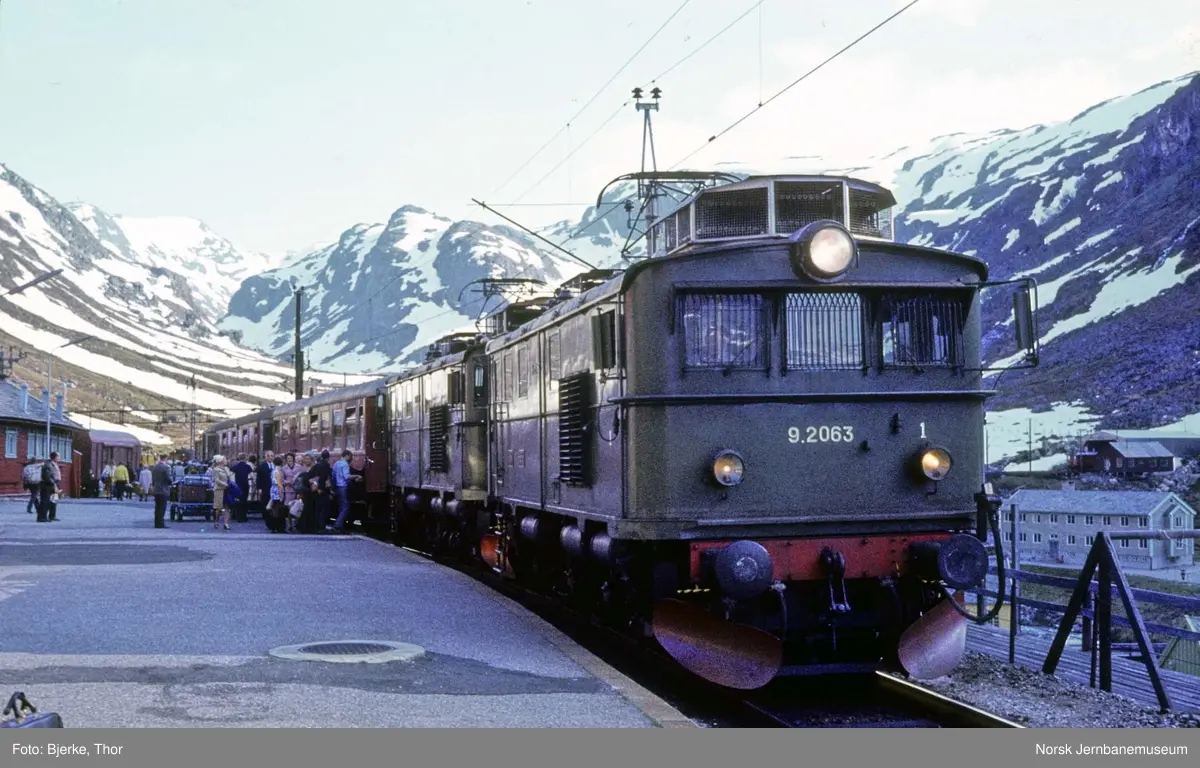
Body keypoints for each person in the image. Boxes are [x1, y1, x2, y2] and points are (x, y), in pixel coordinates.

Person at [332, 449, 359, 533]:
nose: (350, 458)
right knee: (345, 508)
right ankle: (338, 525)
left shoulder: (336, 464)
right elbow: (346, 476)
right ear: (347, 455)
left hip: (337, 487)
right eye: (350, 456)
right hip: (343, 487)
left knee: (341, 506)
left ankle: (340, 525)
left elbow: (333, 476)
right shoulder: (345, 464)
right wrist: (357, 476)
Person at [309, 450, 334, 532]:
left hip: (315, 490)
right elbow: (327, 479)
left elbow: (310, 476)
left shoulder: (315, 466)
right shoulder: (327, 467)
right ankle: (321, 526)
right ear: (328, 458)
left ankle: (316, 526)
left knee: (317, 509)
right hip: (324, 491)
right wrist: (328, 491)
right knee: (324, 510)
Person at [38, 451, 62, 523]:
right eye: (58, 456)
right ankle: (42, 517)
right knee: (45, 501)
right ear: (54, 457)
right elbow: (47, 476)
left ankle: (52, 516)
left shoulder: (55, 464)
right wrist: (53, 483)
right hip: (48, 485)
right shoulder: (48, 464)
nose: (59, 458)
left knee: (53, 501)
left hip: (55, 484)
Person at [210, 455, 232, 531]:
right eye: (225, 459)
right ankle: (216, 521)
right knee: (218, 507)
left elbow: (230, 477)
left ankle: (226, 523)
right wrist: (225, 484)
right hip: (219, 490)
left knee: (227, 507)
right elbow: (216, 480)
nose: (226, 460)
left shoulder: (227, 469)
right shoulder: (216, 469)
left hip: (227, 490)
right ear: (220, 461)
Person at [151, 454, 172, 529]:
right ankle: (161, 523)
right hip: (163, 490)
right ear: (165, 459)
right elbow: (168, 478)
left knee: (157, 507)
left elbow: (153, 479)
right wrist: (171, 483)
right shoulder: (166, 467)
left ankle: (156, 523)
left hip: (156, 489)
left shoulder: (155, 467)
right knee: (162, 508)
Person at [280, 452, 300, 533]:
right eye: (288, 458)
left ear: (293, 458)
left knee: (298, 507)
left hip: (297, 490)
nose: (289, 459)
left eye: (291, 458)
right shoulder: (284, 468)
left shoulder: (299, 467)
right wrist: (286, 482)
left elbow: (301, 476)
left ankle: (297, 525)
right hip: (288, 490)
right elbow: (281, 479)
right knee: (289, 509)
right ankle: (290, 525)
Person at [232, 454, 253, 523]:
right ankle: (244, 517)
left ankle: (239, 517)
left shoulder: (236, 466)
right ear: (245, 458)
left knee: (238, 502)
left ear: (238, 458)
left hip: (238, 486)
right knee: (244, 501)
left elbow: (231, 470)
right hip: (246, 486)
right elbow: (251, 473)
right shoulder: (247, 466)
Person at [256, 451, 275, 517]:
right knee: (265, 501)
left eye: (272, 456)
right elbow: (259, 478)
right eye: (268, 456)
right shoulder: (262, 466)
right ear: (265, 457)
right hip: (265, 487)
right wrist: (259, 488)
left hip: (275, 487)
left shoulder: (275, 465)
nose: (270, 457)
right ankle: (265, 515)